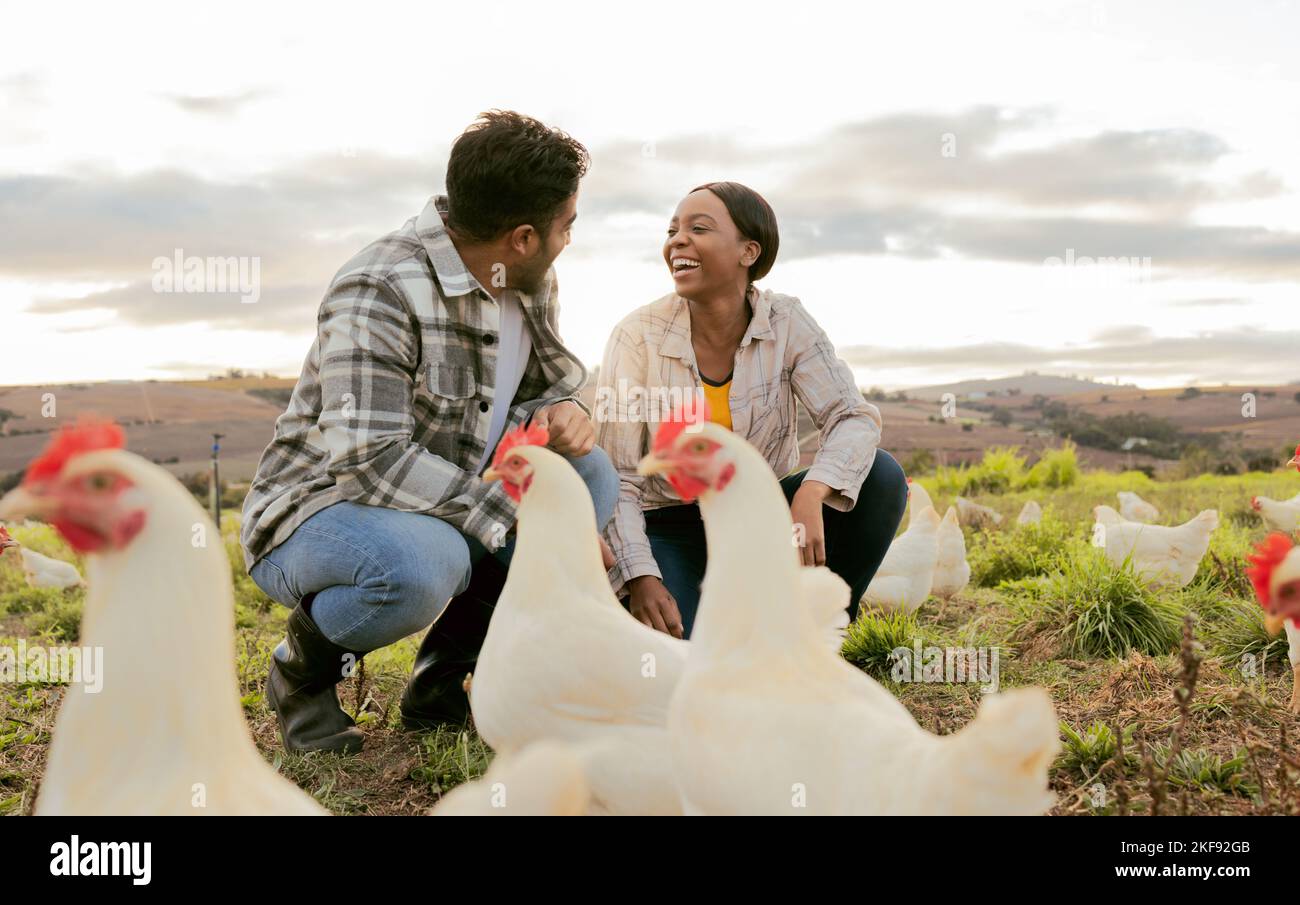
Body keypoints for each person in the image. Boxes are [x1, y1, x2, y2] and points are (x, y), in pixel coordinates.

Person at [240, 111, 619, 754]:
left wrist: (564, 410)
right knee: (421, 567)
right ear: (523, 236)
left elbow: (542, 387)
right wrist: (529, 520)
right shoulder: (379, 289)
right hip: (318, 509)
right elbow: (372, 462)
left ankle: (440, 678)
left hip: (443, 494)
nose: (568, 240)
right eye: (568, 225)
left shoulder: (527, 278)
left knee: (589, 477)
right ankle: (301, 672)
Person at [596, 182, 907, 639]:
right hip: (667, 527)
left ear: (748, 252)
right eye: (672, 230)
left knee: (880, 477)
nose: (677, 241)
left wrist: (812, 492)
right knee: (690, 652)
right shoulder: (636, 336)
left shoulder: (785, 321)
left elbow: (852, 417)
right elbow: (619, 477)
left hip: (760, 516)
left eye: (698, 228)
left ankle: (817, 631)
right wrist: (640, 576)